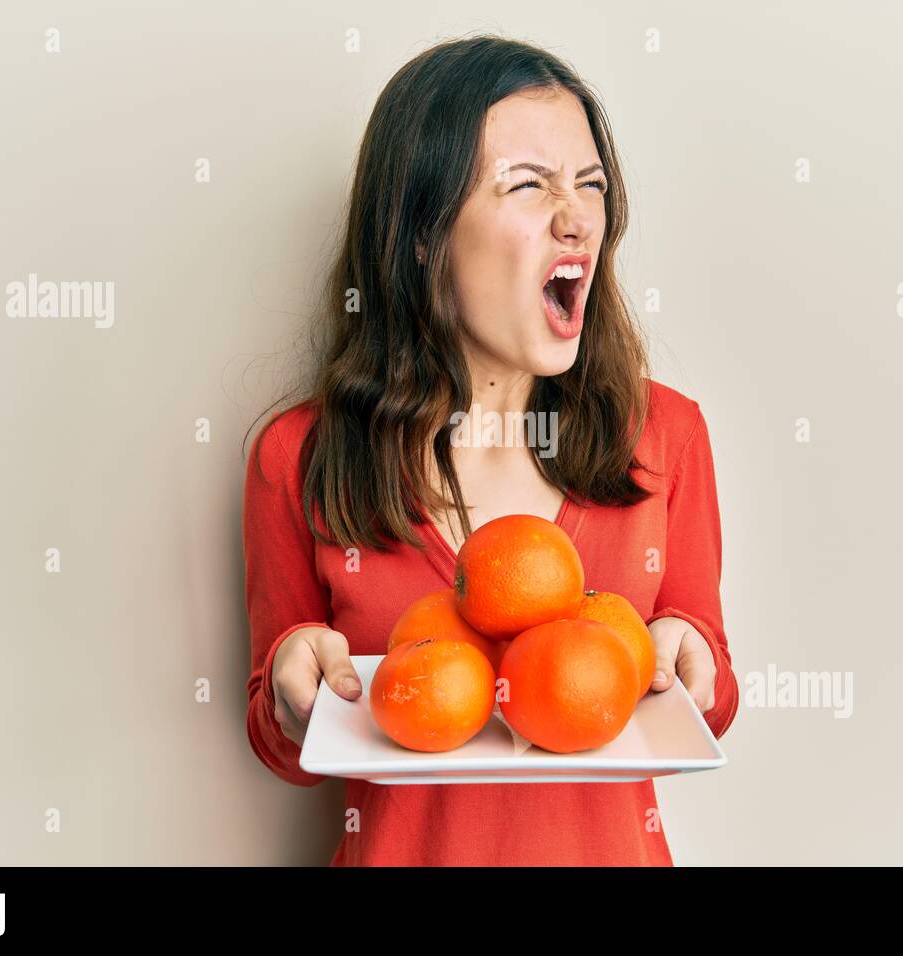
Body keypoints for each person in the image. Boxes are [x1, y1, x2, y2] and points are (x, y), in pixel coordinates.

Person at [242, 35, 739, 866]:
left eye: (590, 185)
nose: (577, 217)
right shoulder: (298, 457)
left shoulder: (668, 436)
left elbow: (709, 703)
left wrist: (691, 654)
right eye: (528, 186)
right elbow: (277, 744)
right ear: (422, 235)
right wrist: (293, 687)